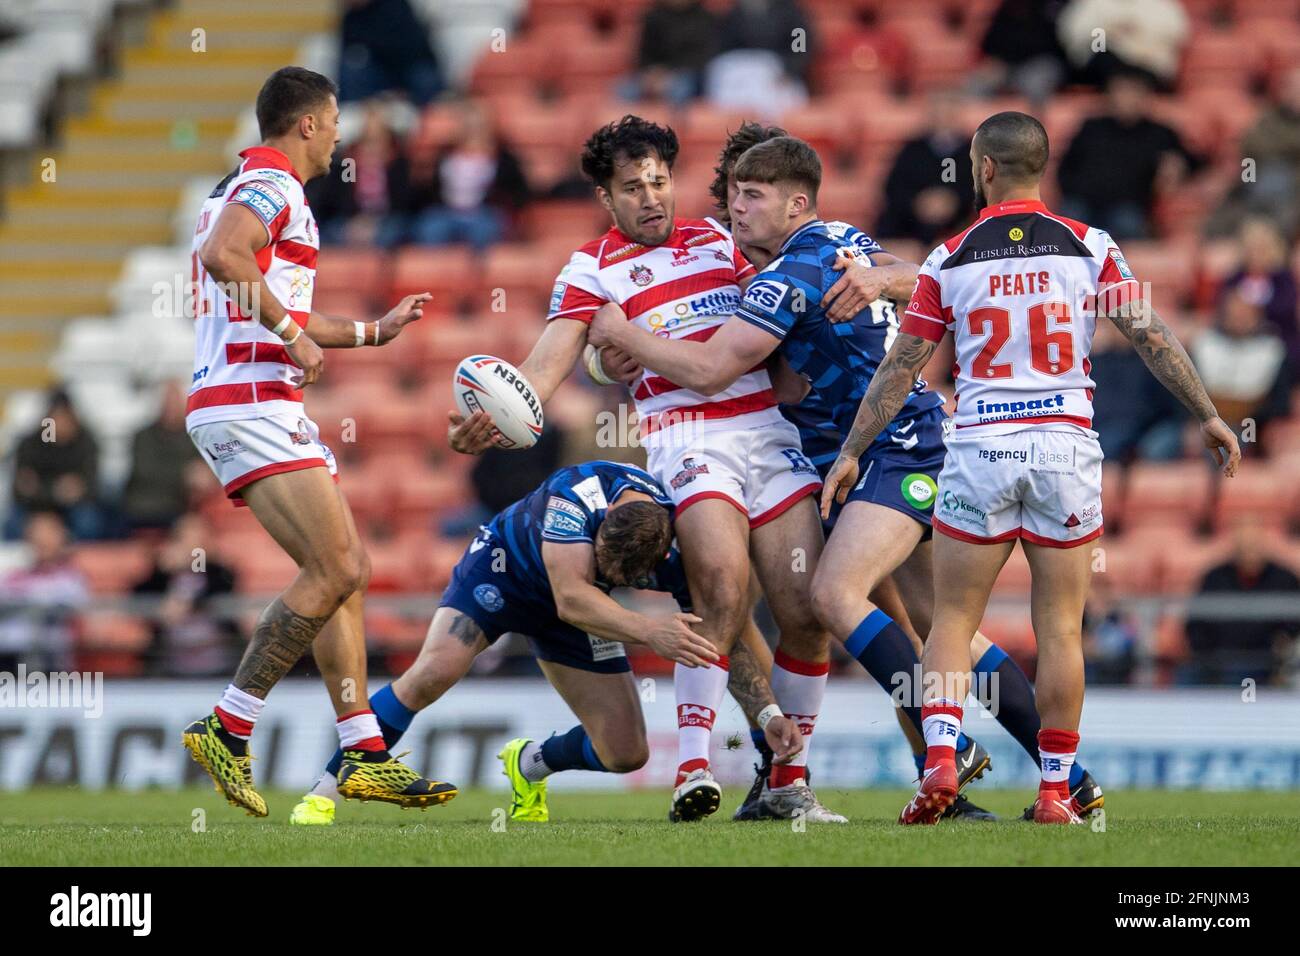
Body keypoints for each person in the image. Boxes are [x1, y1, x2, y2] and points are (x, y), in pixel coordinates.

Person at [593, 133, 1107, 821]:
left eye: (750, 197)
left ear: (795, 202)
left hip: (895, 450)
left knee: (834, 595)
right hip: (890, 448)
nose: (735, 211)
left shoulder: (790, 274)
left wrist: (623, 337)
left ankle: (939, 755)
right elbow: (914, 275)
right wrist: (879, 278)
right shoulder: (837, 239)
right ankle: (1065, 779)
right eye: (732, 197)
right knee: (935, 624)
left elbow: (716, 369)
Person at [448, 115, 888, 823]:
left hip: (769, 436)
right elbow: (544, 369)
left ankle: (787, 785)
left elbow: (790, 304)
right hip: (689, 441)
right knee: (719, 582)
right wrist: (497, 415)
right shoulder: (589, 269)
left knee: (805, 611)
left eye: (659, 181)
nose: (652, 197)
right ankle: (692, 768)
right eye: (632, 187)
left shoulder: (723, 240)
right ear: (605, 196)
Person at [822, 111, 1239, 824]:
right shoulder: (1092, 246)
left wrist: (854, 449)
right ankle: (1053, 792)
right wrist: (1205, 411)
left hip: (981, 445)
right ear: (1042, 168)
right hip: (1064, 449)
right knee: (1062, 630)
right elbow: (1149, 335)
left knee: (951, 619)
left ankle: (941, 767)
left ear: (983, 168)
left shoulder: (949, 256)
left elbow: (903, 365)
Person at [180, 66, 446, 818]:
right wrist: (293, 335)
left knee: (345, 577)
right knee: (338, 566)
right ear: (306, 125)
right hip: (251, 399)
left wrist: (373, 331)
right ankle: (228, 725)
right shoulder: (273, 187)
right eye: (333, 124)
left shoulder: (236, 187)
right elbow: (225, 258)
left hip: (243, 397)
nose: (338, 138)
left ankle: (363, 750)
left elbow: (261, 290)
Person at [288, 462, 802, 825]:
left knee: (626, 753)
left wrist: (766, 713)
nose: (613, 575)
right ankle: (324, 792)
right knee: (432, 672)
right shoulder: (573, 499)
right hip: (505, 576)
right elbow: (572, 599)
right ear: (600, 532)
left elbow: (723, 637)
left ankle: (530, 762)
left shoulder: (679, 549)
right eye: (604, 563)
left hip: (581, 603)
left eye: (623, 576)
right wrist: (648, 629)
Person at [1056, 69, 1200, 240]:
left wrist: (1178, 164)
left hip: (1128, 207)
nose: (1126, 98)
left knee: (1128, 223)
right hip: (1083, 203)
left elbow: (1195, 162)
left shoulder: (1160, 133)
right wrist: (1075, 190)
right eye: (1121, 91)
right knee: (1071, 217)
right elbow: (1065, 168)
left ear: (1145, 96)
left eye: (1133, 91)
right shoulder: (1091, 128)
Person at [1184, 518, 1300, 686]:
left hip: (1269, 662)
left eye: (1254, 546)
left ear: (1263, 546)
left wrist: (1280, 646)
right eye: (1244, 547)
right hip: (1219, 661)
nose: (1249, 553)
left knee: (1245, 684)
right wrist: (1209, 654)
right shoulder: (1214, 578)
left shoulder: (1285, 579)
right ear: (1235, 548)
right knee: (1186, 678)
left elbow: (1293, 625)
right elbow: (1196, 624)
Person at [409, 99, 530, 250]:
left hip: (484, 213)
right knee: (430, 228)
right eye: (469, 120)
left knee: (484, 231)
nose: (473, 126)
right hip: (447, 212)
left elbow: (519, 190)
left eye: (478, 120)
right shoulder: (445, 153)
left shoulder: (504, 157)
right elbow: (429, 190)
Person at [133, 514, 241, 677]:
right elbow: (140, 595)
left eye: (199, 537)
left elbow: (220, 589)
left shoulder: (218, 571)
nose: (194, 543)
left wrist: (196, 567)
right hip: (170, 661)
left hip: (217, 662)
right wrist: (161, 570)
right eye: (187, 537)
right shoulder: (163, 573)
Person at [308, 101, 412, 249]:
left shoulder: (397, 160)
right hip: (354, 217)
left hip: (388, 217)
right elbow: (344, 194)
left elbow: (402, 197)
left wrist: (374, 222)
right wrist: (355, 219)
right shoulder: (350, 161)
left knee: (391, 233)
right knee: (331, 232)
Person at [6, 388, 106, 541]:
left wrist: (44, 489)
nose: (59, 423)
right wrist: (56, 492)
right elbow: (21, 488)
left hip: (72, 507)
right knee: (13, 523)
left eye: (64, 417)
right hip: (37, 507)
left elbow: (92, 486)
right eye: (55, 417)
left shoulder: (86, 442)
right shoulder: (31, 444)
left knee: (88, 521)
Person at [875, 93, 972, 247]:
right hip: (913, 224)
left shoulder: (973, 150)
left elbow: (982, 187)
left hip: (961, 221)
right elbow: (894, 186)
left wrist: (954, 201)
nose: (943, 119)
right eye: (939, 113)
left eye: (948, 113)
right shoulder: (912, 149)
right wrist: (918, 202)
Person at [0, 511, 88, 674]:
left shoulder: (71, 579)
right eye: (36, 532)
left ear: (62, 537)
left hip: (49, 661)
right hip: (7, 657)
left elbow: (69, 607)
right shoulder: (12, 577)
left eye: (48, 532)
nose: (41, 539)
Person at [121, 380, 198, 532]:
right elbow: (145, 472)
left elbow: (203, 472)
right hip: (145, 505)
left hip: (183, 505)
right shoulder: (142, 436)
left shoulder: (194, 436)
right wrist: (186, 474)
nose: (171, 406)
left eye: (175, 400)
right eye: (167, 400)